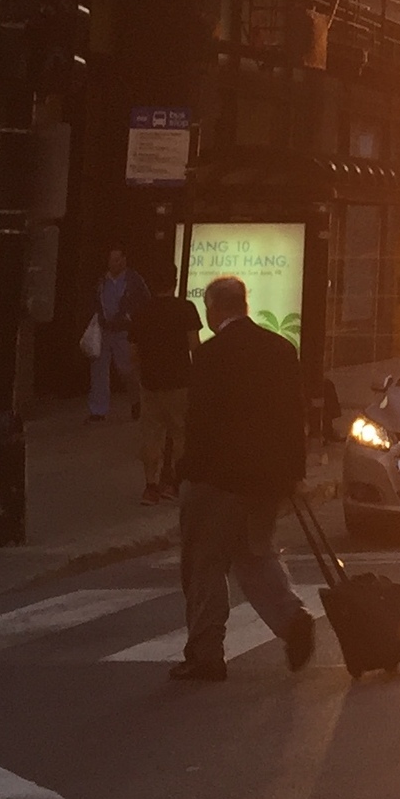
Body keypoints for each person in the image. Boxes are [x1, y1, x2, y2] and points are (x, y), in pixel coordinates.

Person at [172, 273, 314, 680]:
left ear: (213, 309)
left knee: (204, 565)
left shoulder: (211, 356)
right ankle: (291, 619)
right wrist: (293, 472)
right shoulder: (281, 349)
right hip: (265, 478)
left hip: (216, 479)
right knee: (254, 554)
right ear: (246, 304)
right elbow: (294, 416)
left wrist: (184, 472)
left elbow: (198, 421)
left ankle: (206, 652)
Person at [132, 278, 204, 505]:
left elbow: (133, 351)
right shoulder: (186, 308)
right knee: (181, 433)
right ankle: (175, 482)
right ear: (173, 283)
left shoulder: (142, 311)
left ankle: (150, 485)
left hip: (151, 382)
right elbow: (194, 345)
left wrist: (140, 377)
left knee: (151, 434)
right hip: (180, 381)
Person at [89, 248, 151, 422]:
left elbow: (145, 300)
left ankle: (136, 401)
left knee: (127, 370)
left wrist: (131, 316)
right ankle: (98, 410)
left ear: (124, 260)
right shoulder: (102, 280)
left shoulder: (134, 279)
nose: (115, 264)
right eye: (112, 260)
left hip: (124, 330)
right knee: (99, 371)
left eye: (118, 260)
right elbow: (93, 300)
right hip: (104, 329)